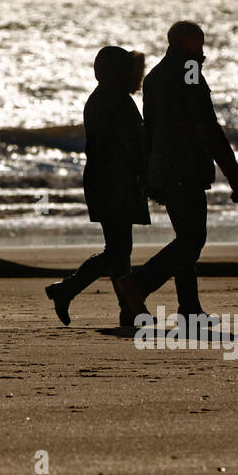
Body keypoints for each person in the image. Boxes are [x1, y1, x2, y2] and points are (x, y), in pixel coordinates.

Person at [126, 21, 238, 323]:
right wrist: (233, 173)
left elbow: (148, 131)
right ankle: (137, 286)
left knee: (187, 238)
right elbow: (208, 126)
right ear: (188, 43)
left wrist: (149, 172)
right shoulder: (190, 72)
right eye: (199, 44)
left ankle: (189, 308)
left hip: (164, 169)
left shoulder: (154, 77)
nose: (203, 51)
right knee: (192, 240)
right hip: (185, 168)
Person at [45, 46, 151, 327]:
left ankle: (131, 309)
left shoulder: (101, 98)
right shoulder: (117, 101)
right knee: (118, 250)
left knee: (119, 249)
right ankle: (66, 289)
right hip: (115, 182)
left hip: (104, 181)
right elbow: (131, 146)